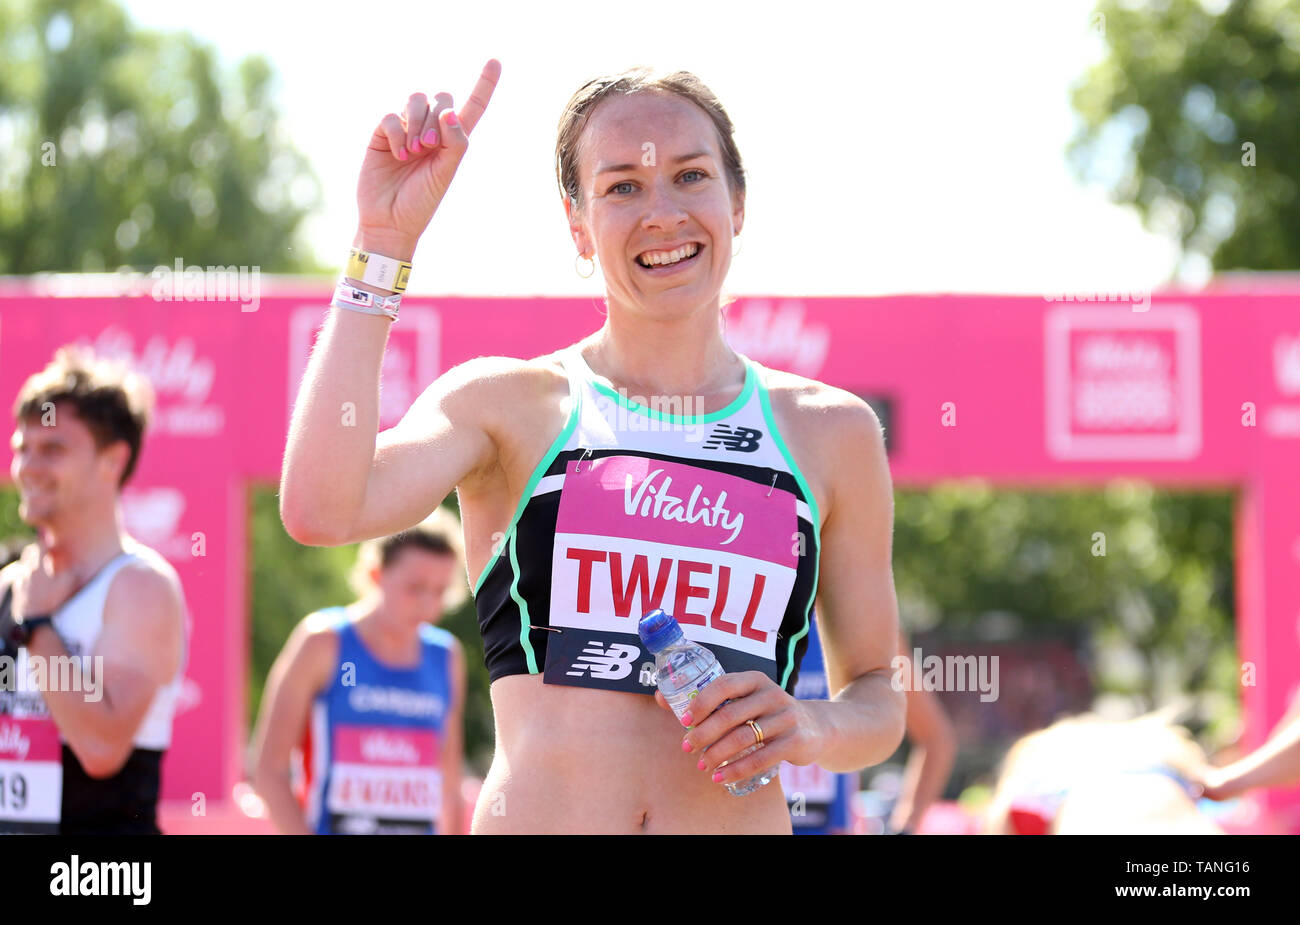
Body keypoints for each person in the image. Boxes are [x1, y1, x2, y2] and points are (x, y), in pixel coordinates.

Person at [280, 61, 906, 834]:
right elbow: (320, 507)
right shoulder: (506, 404)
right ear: (577, 225)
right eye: (622, 187)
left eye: (690, 175)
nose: (664, 213)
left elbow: (878, 692)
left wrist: (813, 727)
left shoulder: (832, 430)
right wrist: (380, 245)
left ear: (737, 203)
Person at [0, 346, 187, 834]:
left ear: (113, 460)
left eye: (53, 449)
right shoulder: (10, 584)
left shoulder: (139, 586)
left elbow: (101, 748)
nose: (28, 467)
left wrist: (39, 628)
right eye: (23, 447)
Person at [250, 508, 468, 835]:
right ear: (376, 574)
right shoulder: (322, 642)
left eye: (439, 591)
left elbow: (450, 785)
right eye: (414, 588)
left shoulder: (447, 656)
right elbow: (268, 771)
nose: (428, 606)